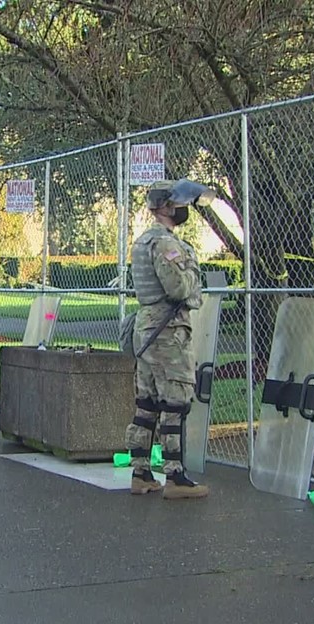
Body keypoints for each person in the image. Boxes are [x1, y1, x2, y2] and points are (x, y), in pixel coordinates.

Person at [124, 179, 213, 500]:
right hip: (167, 330)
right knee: (175, 401)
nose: (185, 209)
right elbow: (179, 288)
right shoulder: (164, 243)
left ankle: (141, 473)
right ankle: (175, 476)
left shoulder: (145, 240)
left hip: (148, 328)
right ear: (166, 206)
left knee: (147, 402)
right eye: (180, 203)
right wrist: (192, 273)